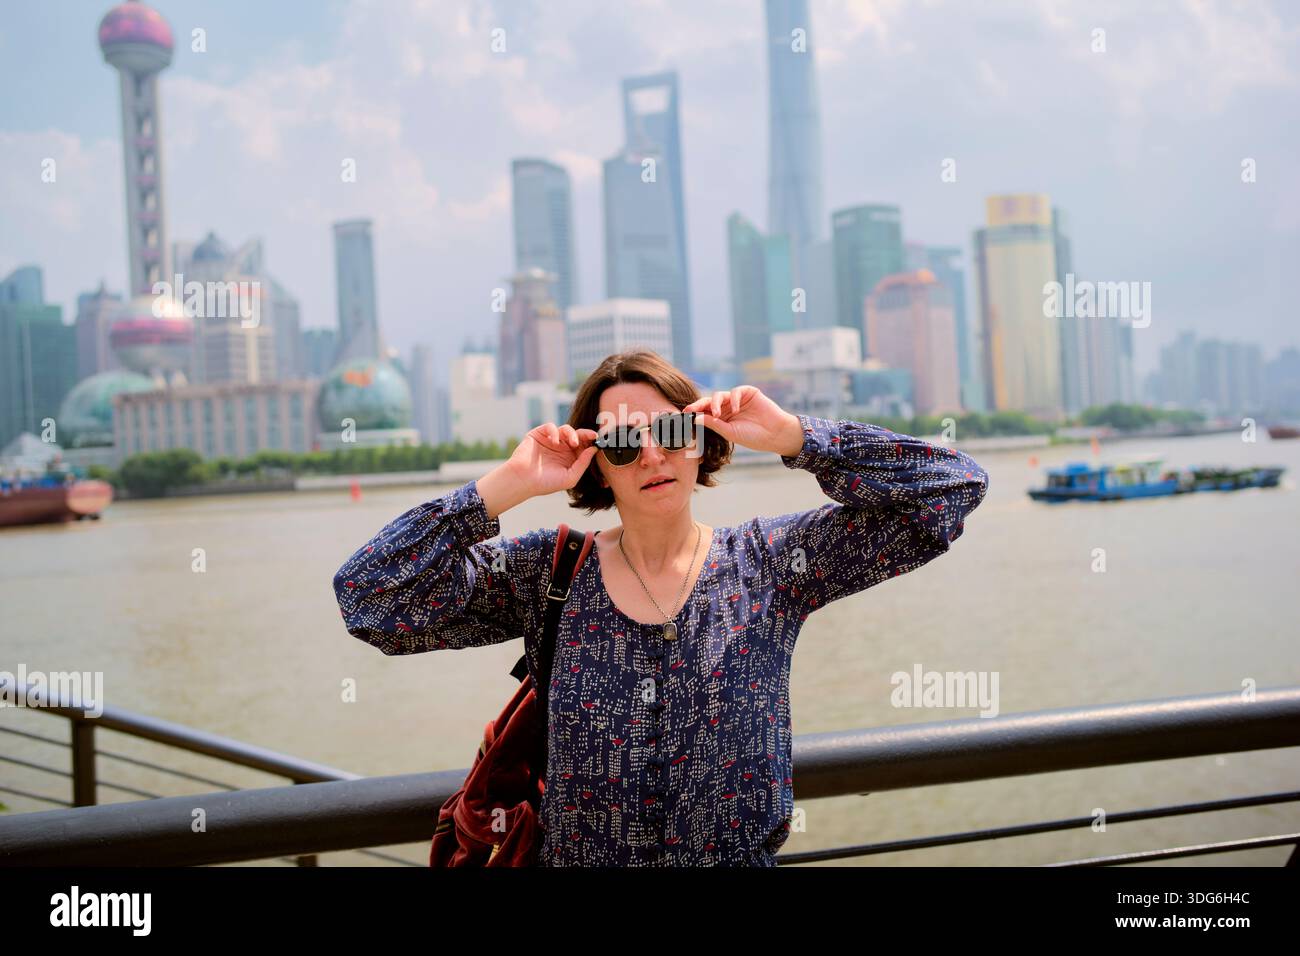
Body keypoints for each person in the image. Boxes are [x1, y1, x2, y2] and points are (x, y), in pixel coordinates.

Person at [333, 349, 990, 867]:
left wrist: (796, 435)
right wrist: (506, 485)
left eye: (672, 430)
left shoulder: (771, 563)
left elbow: (952, 492)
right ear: (596, 466)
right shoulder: (545, 576)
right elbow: (369, 600)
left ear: (701, 438)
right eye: (622, 444)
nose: (651, 455)